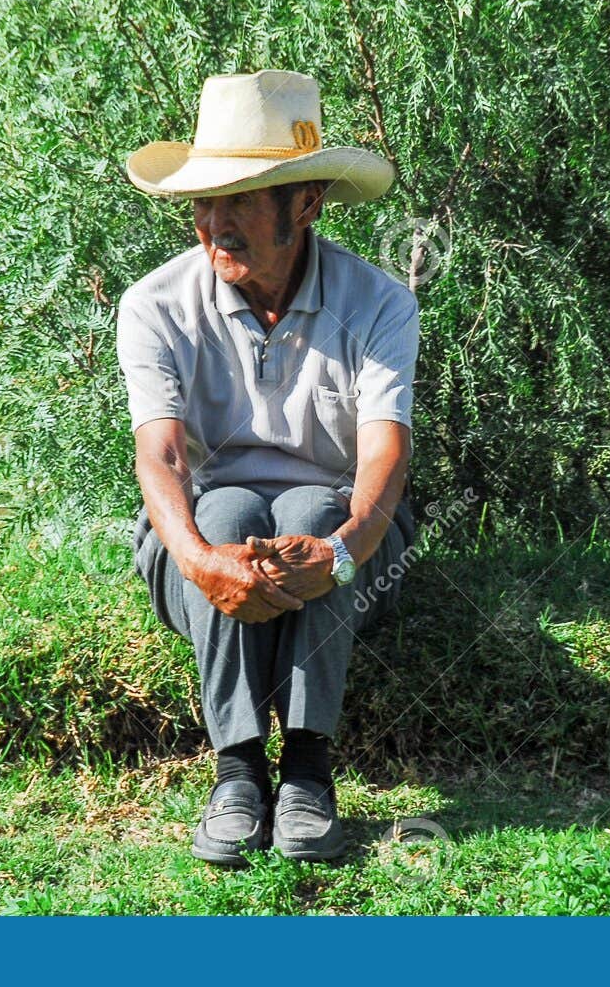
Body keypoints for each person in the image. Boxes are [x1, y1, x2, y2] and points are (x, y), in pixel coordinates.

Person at [118, 69, 419, 866]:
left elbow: (385, 453)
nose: (213, 223)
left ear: (307, 202)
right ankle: (238, 773)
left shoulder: (380, 303)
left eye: (240, 200)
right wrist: (199, 559)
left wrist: (346, 552)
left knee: (316, 511)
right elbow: (163, 453)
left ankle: (310, 772)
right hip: (205, 548)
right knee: (221, 513)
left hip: (347, 543)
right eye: (203, 202)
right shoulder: (153, 303)